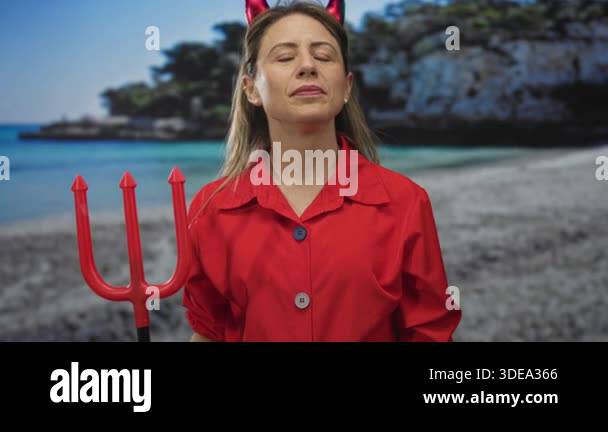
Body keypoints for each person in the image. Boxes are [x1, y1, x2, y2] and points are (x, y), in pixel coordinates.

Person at [183, 0, 461, 342]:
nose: (307, 66)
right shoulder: (209, 209)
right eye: (285, 57)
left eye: (324, 56)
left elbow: (429, 333)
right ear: (251, 89)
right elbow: (210, 330)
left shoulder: (406, 202)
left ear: (346, 87)